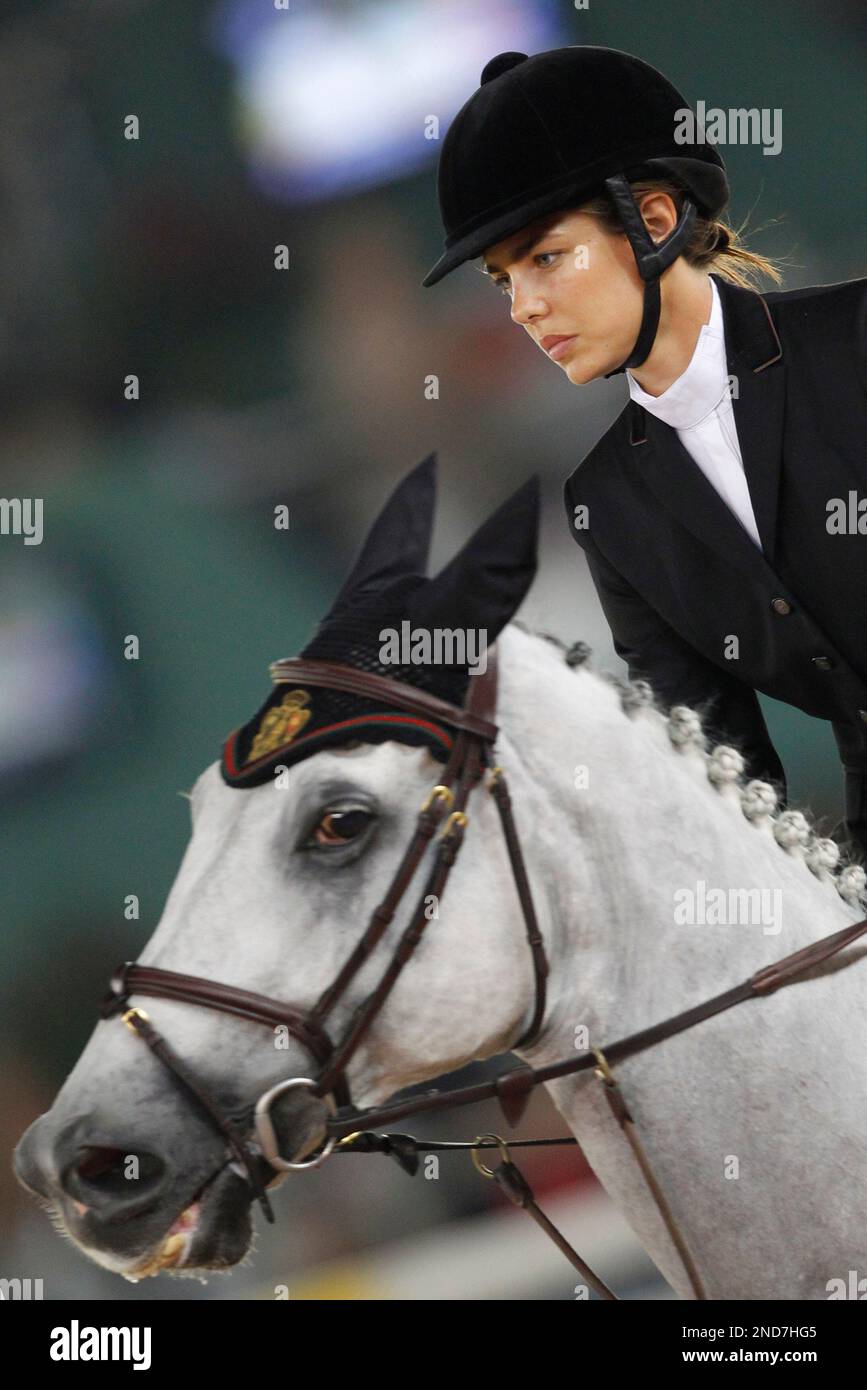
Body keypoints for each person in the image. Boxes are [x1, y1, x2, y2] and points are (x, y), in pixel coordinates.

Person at [421, 45, 867, 858]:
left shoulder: (855, 342)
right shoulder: (608, 505)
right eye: (501, 280)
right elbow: (728, 790)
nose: (522, 307)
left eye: (545, 258)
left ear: (653, 221)